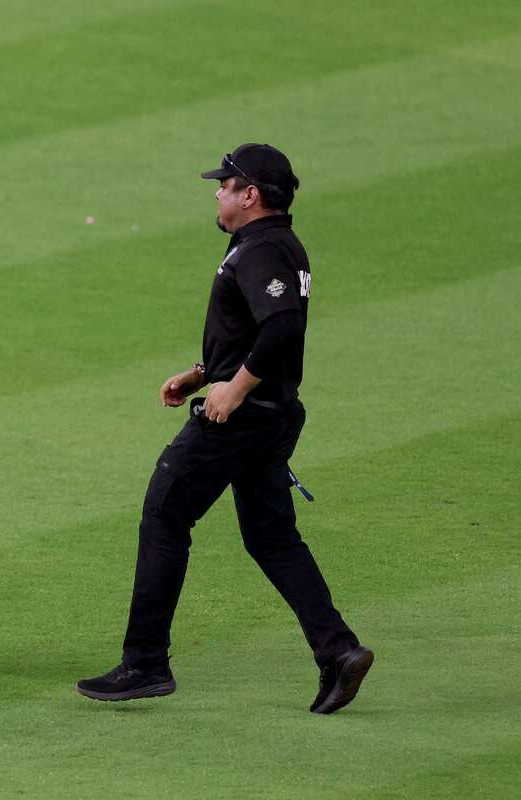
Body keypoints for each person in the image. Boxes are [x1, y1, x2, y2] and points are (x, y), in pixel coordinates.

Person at [77, 143, 373, 714]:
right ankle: (338, 649)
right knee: (270, 536)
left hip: (243, 418)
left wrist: (234, 388)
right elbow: (254, 328)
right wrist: (202, 374)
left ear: (250, 195)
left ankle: (145, 663)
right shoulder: (275, 246)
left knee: (165, 513)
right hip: (273, 413)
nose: (217, 192)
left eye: (225, 185)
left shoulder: (263, 250)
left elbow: (282, 326)